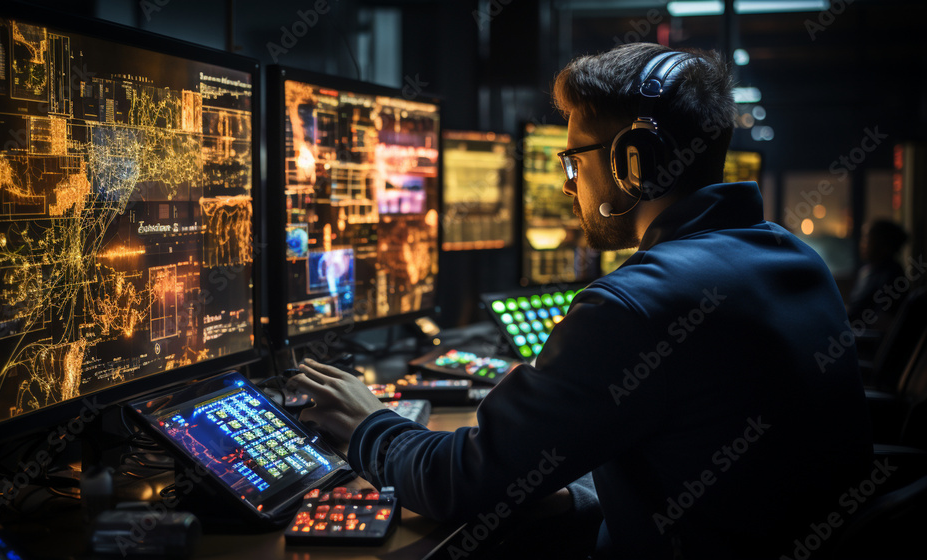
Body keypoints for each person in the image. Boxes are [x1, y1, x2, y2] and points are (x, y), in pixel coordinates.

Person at [288, 43, 872, 558]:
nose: (569, 185)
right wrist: (575, 476)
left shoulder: (637, 304)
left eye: (575, 161)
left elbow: (457, 482)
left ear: (631, 161)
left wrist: (370, 424)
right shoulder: (796, 260)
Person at [847, 219, 909, 332]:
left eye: (867, 239)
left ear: (884, 245)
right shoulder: (866, 271)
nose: (862, 244)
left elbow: (884, 322)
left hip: (862, 341)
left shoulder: (892, 276)